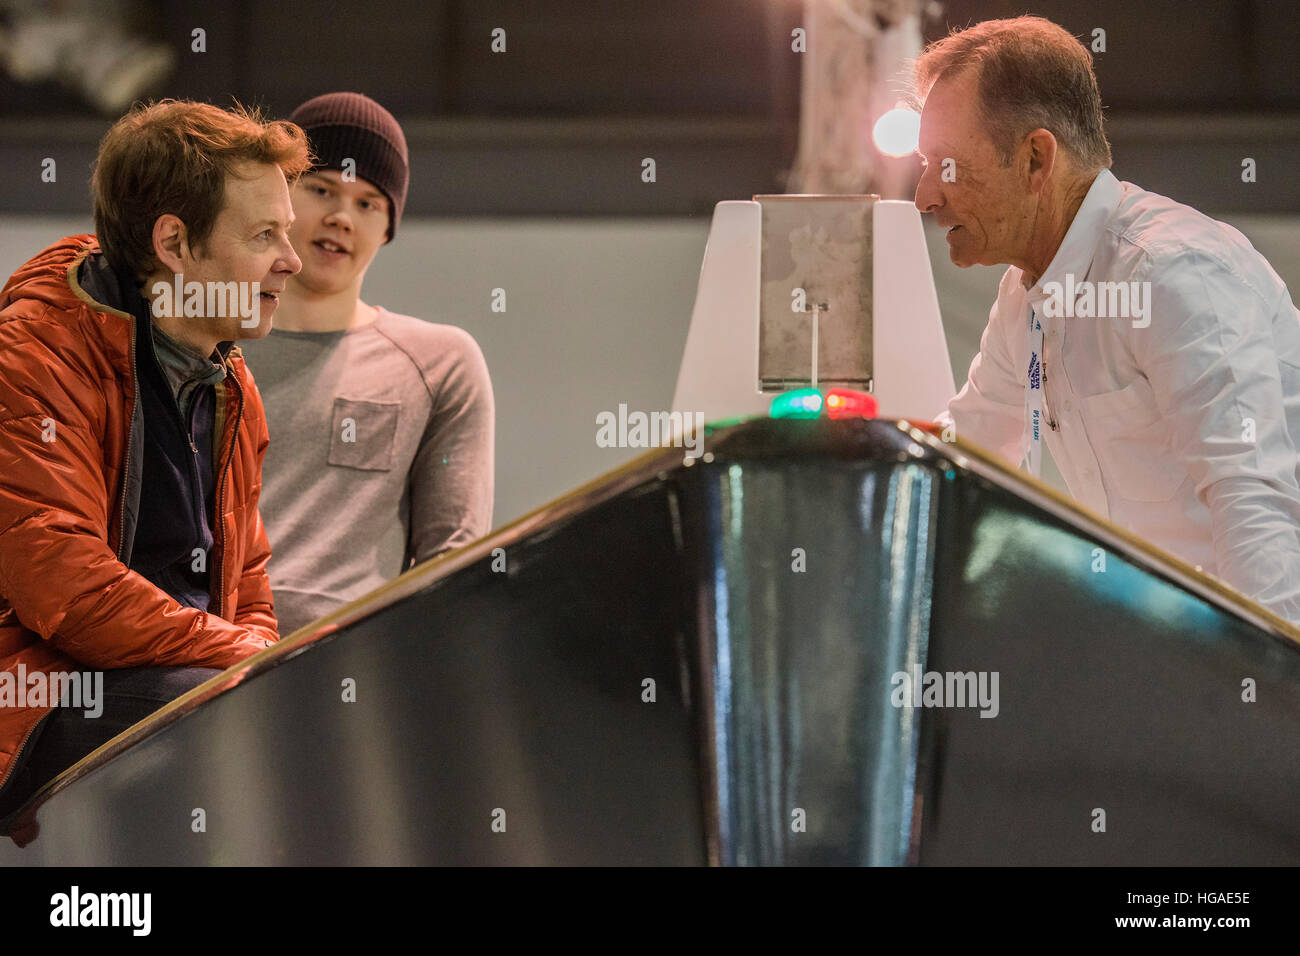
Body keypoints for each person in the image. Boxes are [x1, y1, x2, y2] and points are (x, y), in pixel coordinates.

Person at [915, 16, 1300, 624]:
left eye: (947, 167)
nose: (924, 197)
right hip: (1186, 661)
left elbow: (1253, 499)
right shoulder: (1024, 298)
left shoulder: (1172, 271)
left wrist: (1265, 699)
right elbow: (962, 452)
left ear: (1036, 159)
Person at [0, 99, 308, 822]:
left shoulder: (227, 377)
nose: (291, 260)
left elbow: (250, 573)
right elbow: (65, 586)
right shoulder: (33, 354)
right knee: (225, 718)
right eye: (265, 235)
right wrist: (242, 659)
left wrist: (253, 650)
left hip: (172, 670)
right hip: (40, 687)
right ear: (174, 243)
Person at [239, 92, 494, 637]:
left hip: (358, 671)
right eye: (322, 189)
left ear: (388, 228)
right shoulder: (204, 344)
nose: (340, 217)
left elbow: (451, 559)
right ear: (277, 204)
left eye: (368, 202)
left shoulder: (439, 363)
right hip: (204, 666)